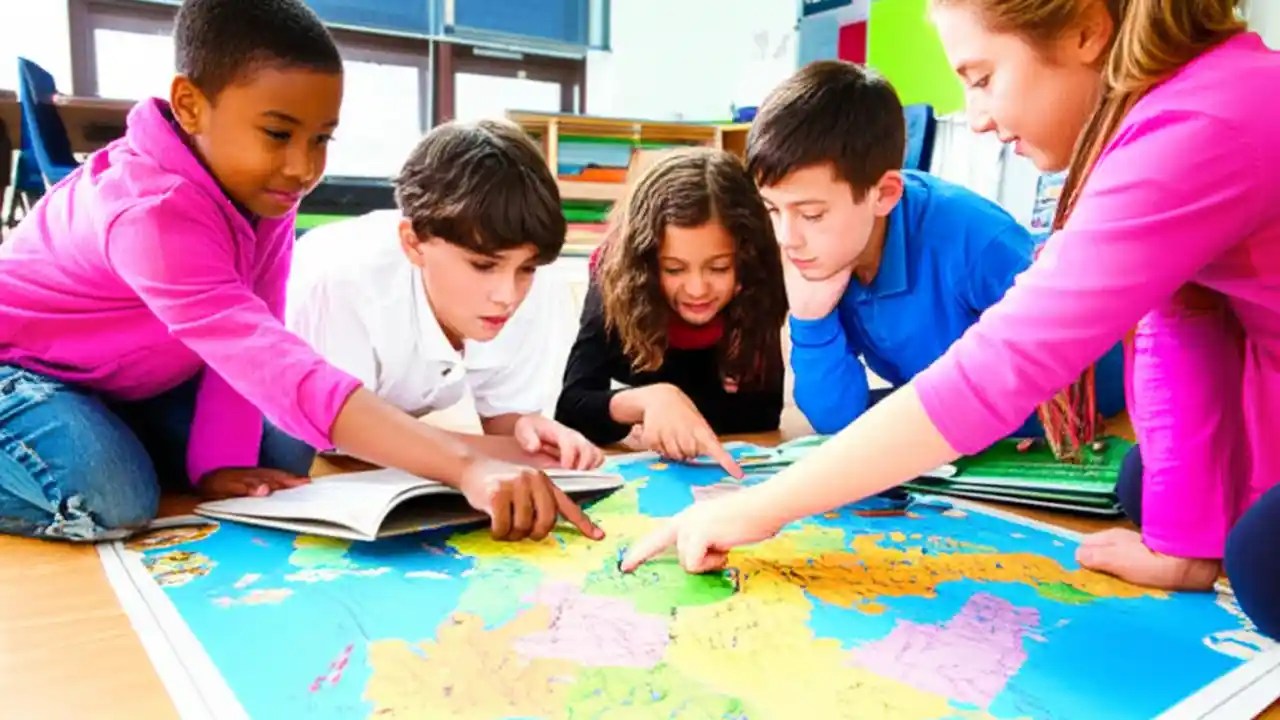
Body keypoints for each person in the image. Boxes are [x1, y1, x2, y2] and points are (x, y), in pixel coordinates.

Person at [621, 0, 1280, 640]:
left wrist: (761, 508)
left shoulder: (1196, 127)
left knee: (1261, 563)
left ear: (1086, 30)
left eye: (983, 78)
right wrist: (1181, 545)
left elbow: (1004, 367)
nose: (978, 118)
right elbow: (1184, 322)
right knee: (1147, 488)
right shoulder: (1177, 112)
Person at [0, 0, 603, 545]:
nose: (302, 167)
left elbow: (255, 338)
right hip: (22, 369)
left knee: (283, 446)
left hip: (131, 377)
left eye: (321, 138)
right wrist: (466, 466)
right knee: (112, 500)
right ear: (189, 105)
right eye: (277, 133)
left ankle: (111, 440)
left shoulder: (260, 192)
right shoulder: (150, 212)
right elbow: (268, 361)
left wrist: (217, 466)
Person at [747, 59, 1124, 436]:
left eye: (811, 214)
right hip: (959, 411)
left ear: (884, 195)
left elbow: (1078, 378)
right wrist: (810, 318)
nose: (786, 237)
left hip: (1080, 411)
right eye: (773, 210)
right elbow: (836, 420)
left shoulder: (975, 241)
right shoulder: (826, 252)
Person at [286, 120, 602, 471]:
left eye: (526, 268)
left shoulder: (537, 286)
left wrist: (527, 434)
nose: (508, 296)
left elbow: (504, 422)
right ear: (413, 244)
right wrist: (502, 453)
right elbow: (340, 441)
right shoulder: (339, 282)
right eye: (483, 265)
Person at [555, 148, 789, 476]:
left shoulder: (758, 286)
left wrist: (671, 414)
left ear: (746, 259)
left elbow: (762, 413)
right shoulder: (616, 279)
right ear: (646, 264)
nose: (697, 289)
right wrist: (648, 402)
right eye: (674, 269)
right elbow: (572, 408)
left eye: (719, 268)